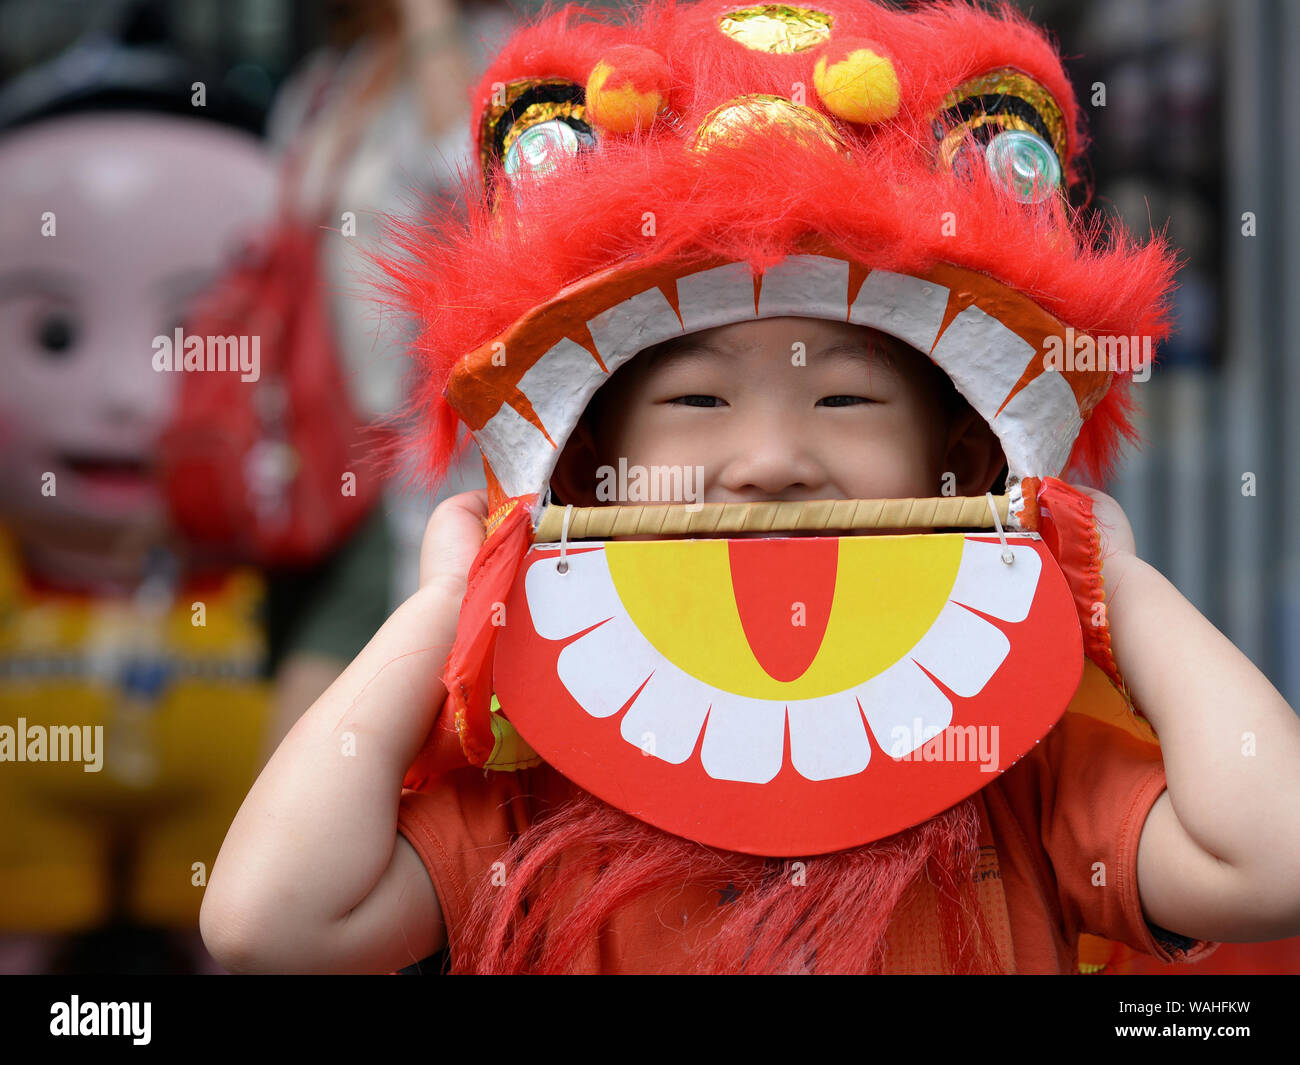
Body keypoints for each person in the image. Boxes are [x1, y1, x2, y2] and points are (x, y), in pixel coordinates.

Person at [199, 0, 1300, 974]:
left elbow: (1272, 859)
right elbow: (266, 923)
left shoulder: (1018, 763)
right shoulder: (529, 796)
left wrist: (1115, 580)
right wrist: (452, 601)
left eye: (846, 402)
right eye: (696, 403)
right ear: (588, 465)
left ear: (959, 463)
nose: (770, 459)